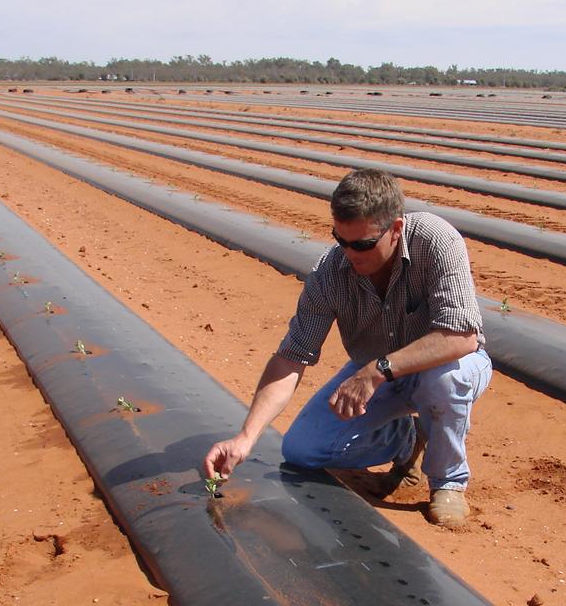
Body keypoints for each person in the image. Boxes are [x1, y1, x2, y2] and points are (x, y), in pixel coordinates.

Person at [202, 169, 491, 528]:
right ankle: (408, 440)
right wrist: (245, 438)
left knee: (445, 381)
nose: (350, 253)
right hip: (379, 374)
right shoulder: (330, 273)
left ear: (396, 229)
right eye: (342, 240)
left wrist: (377, 370)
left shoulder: (435, 241)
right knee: (302, 450)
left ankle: (448, 482)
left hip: (444, 364)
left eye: (363, 244)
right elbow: (293, 356)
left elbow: (461, 336)